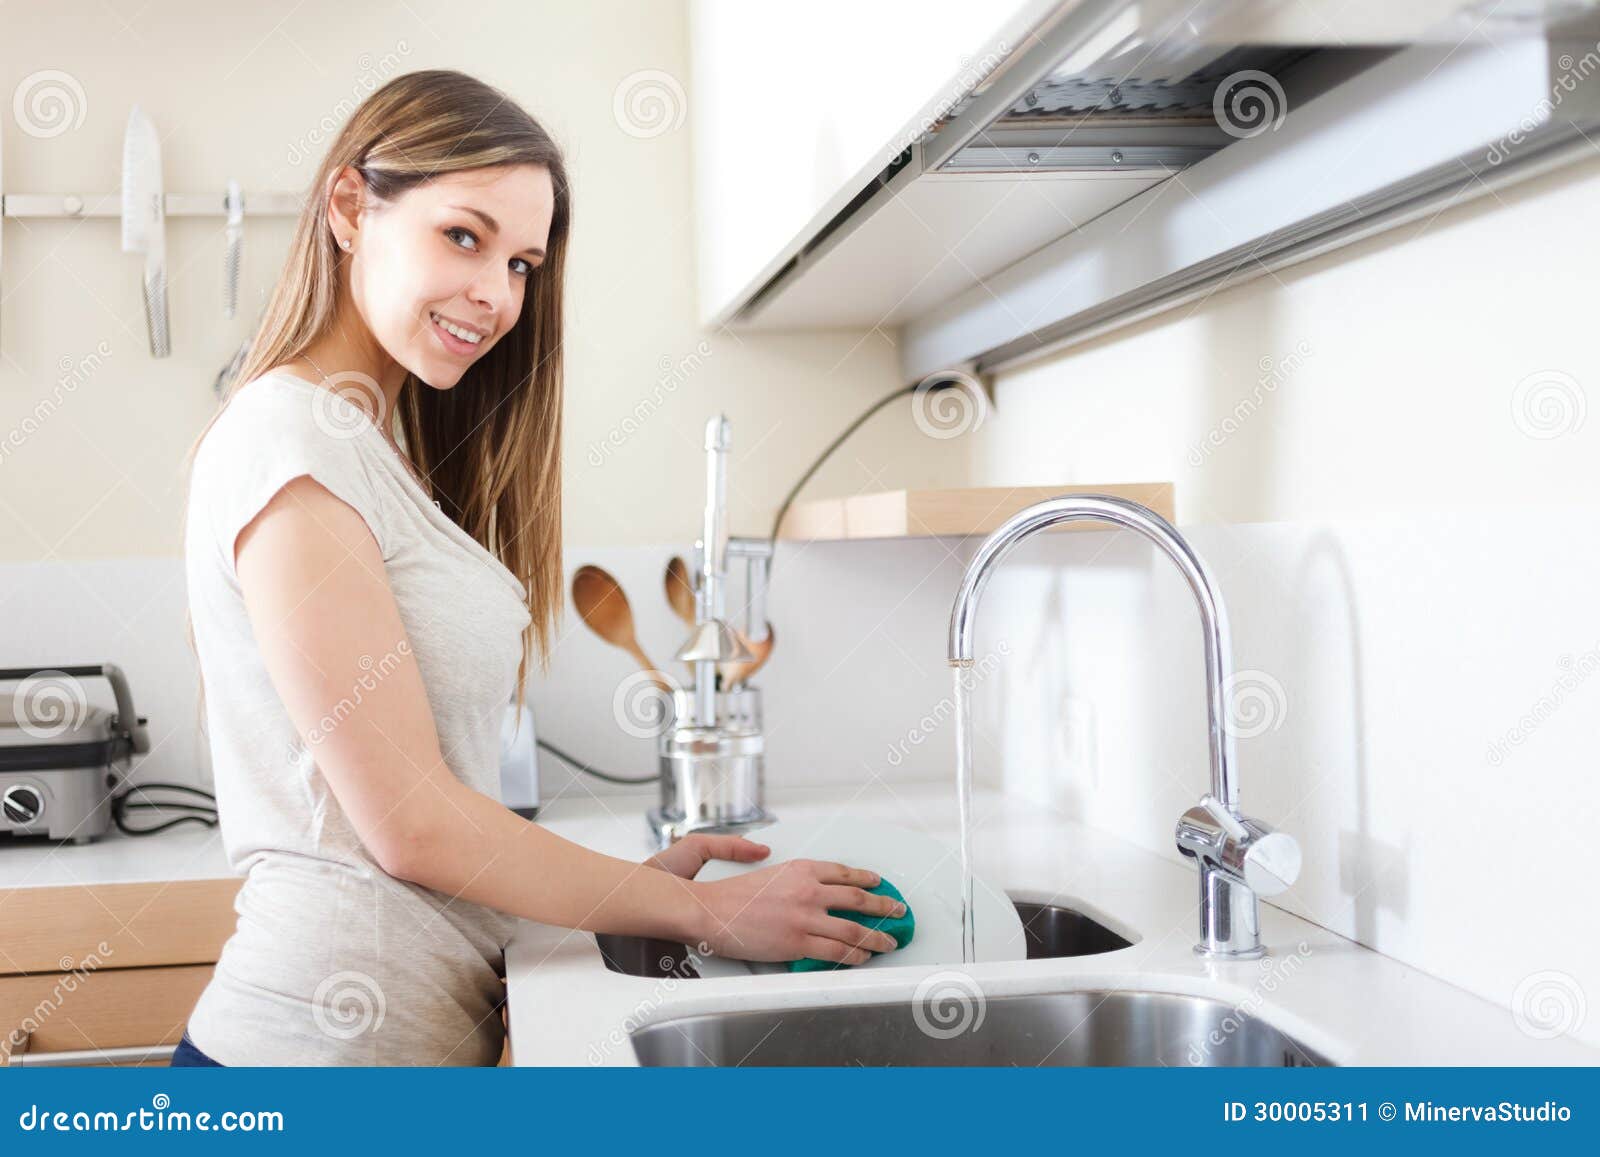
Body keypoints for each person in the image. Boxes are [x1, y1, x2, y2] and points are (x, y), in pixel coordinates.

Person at [175, 70, 901, 1067]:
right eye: (463, 235)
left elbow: (434, 832)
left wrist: (623, 894)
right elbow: (410, 826)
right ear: (350, 207)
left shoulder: (372, 447)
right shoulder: (287, 438)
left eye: (522, 262)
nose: (496, 293)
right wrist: (698, 909)